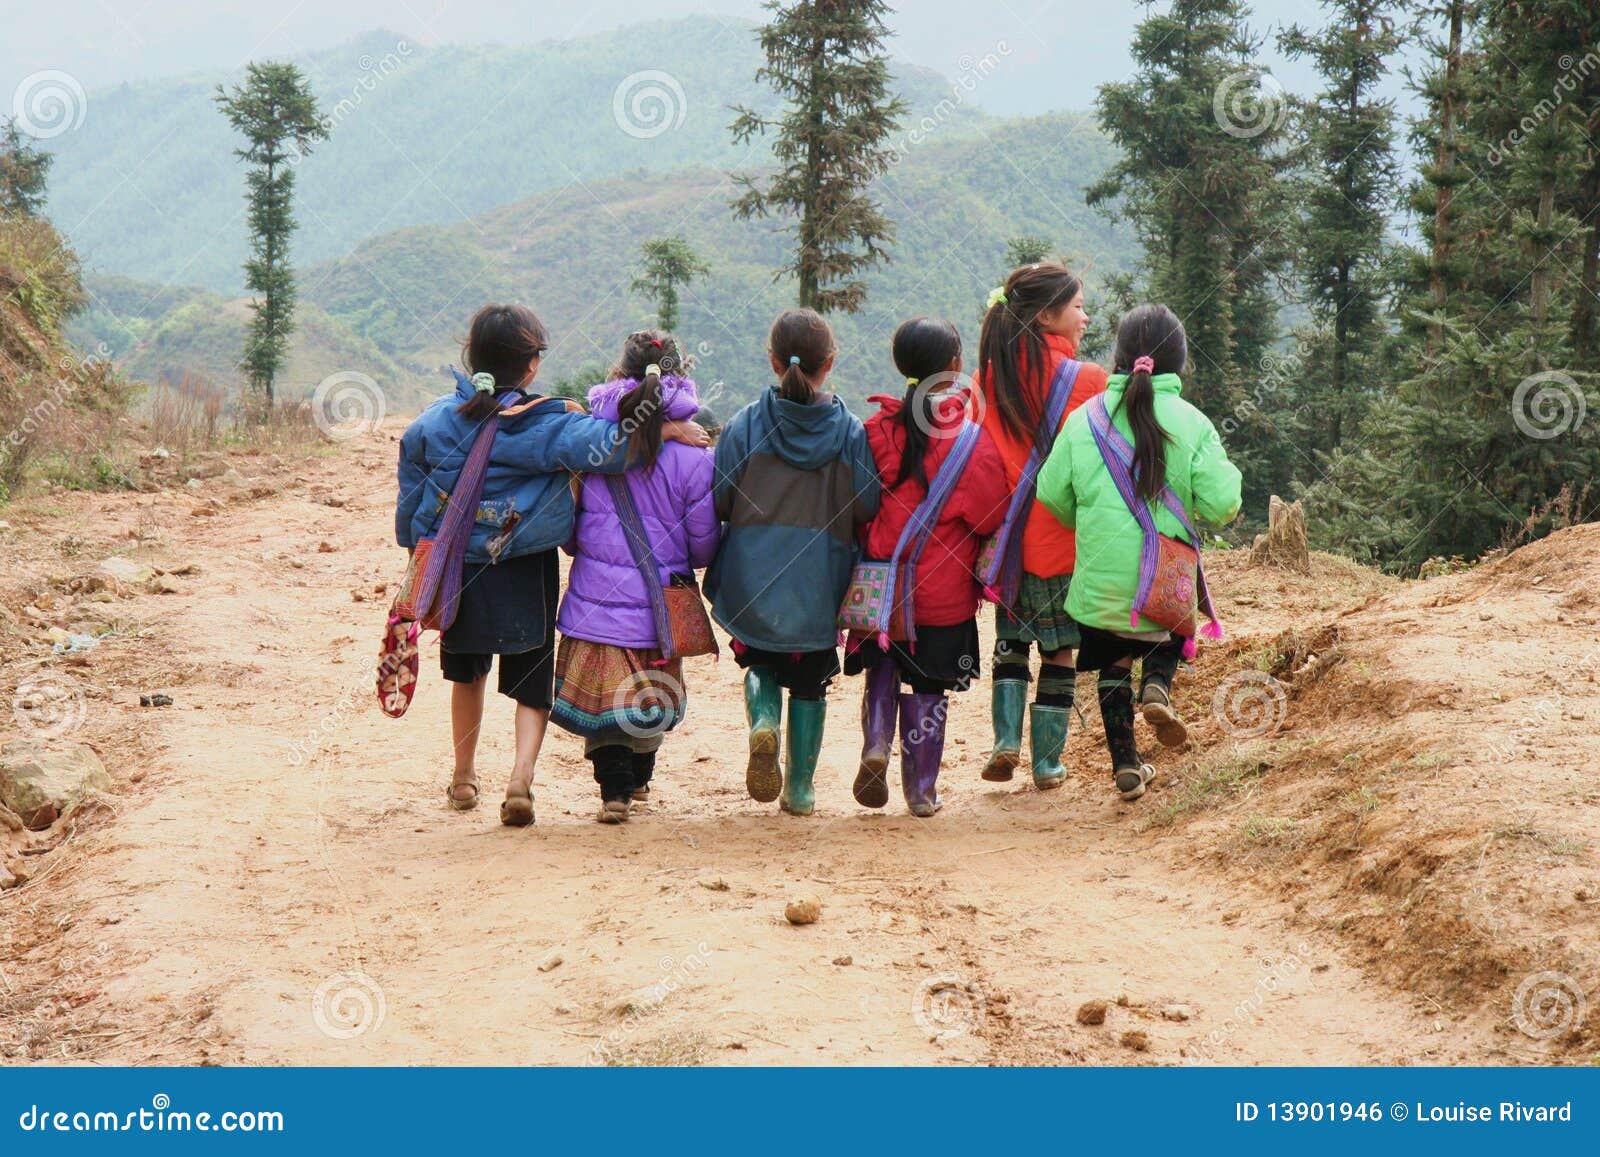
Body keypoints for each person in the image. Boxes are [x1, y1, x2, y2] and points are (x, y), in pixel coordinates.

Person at [395, 304, 707, 827]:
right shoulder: (546, 426)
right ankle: (520, 779)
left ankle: (464, 776)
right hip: (524, 566)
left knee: (466, 674)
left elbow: (411, 478)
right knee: (530, 681)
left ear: (471, 358)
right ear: (533, 367)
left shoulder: (435, 420)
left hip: (458, 571)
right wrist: (668, 433)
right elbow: (608, 448)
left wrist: (411, 542)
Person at [1036, 304, 1242, 800]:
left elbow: (1050, 492)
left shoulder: (1082, 420)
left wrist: (1085, 521)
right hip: (1162, 582)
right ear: (1180, 361)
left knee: (1112, 659)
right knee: (1167, 622)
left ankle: (1126, 765)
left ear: (1120, 357)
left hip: (1100, 586)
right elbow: (1222, 503)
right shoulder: (1192, 422)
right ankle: (1158, 685)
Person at [706, 308, 880, 816]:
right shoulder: (849, 432)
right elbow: (867, 504)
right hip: (819, 581)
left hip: (751, 577)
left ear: (773, 360)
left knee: (758, 657)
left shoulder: (743, 425)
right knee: (810, 683)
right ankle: (800, 791)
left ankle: (763, 722)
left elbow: (720, 499)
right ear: (831, 363)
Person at [552, 331, 719, 824]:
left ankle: (615, 791)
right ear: (679, 378)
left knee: (606, 701)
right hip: (660, 603)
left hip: (596, 602)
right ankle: (641, 774)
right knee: (648, 691)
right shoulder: (695, 455)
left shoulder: (593, 447)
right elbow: (704, 544)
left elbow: (571, 532)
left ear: (618, 376)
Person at [846, 318, 1009, 816]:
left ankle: (876, 742)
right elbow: (990, 514)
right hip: (943, 593)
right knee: (930, 684)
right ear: (956, 368)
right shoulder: (970, 442)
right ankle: (921, 790)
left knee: (883, 661)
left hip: (881, 587)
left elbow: (856, 504)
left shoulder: (873, 431)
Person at [974, 263, 1108, 790]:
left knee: (1011, 641)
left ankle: (1005, 741)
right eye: (1077, 306)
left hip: (1005, 542)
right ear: (1048, 315)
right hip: (1061, 540)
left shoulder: (989, 378)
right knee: (1058, 649)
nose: (1085, 316)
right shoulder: (1090, 382)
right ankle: (1047, 764)